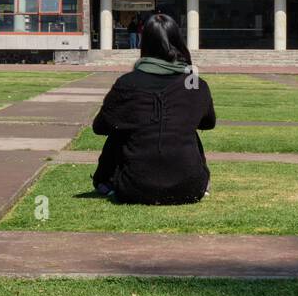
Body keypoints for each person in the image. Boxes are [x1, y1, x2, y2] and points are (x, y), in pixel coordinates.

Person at [91, 13, 215, 205]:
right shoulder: (195, 84)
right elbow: (208, 123)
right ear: (178, 41)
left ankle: (105, 182)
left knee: (120, 131)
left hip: (133, 187)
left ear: (144, 43)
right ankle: (196, 179)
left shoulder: (127, 83)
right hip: (190, 187)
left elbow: (101, 126)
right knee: (185, 130)